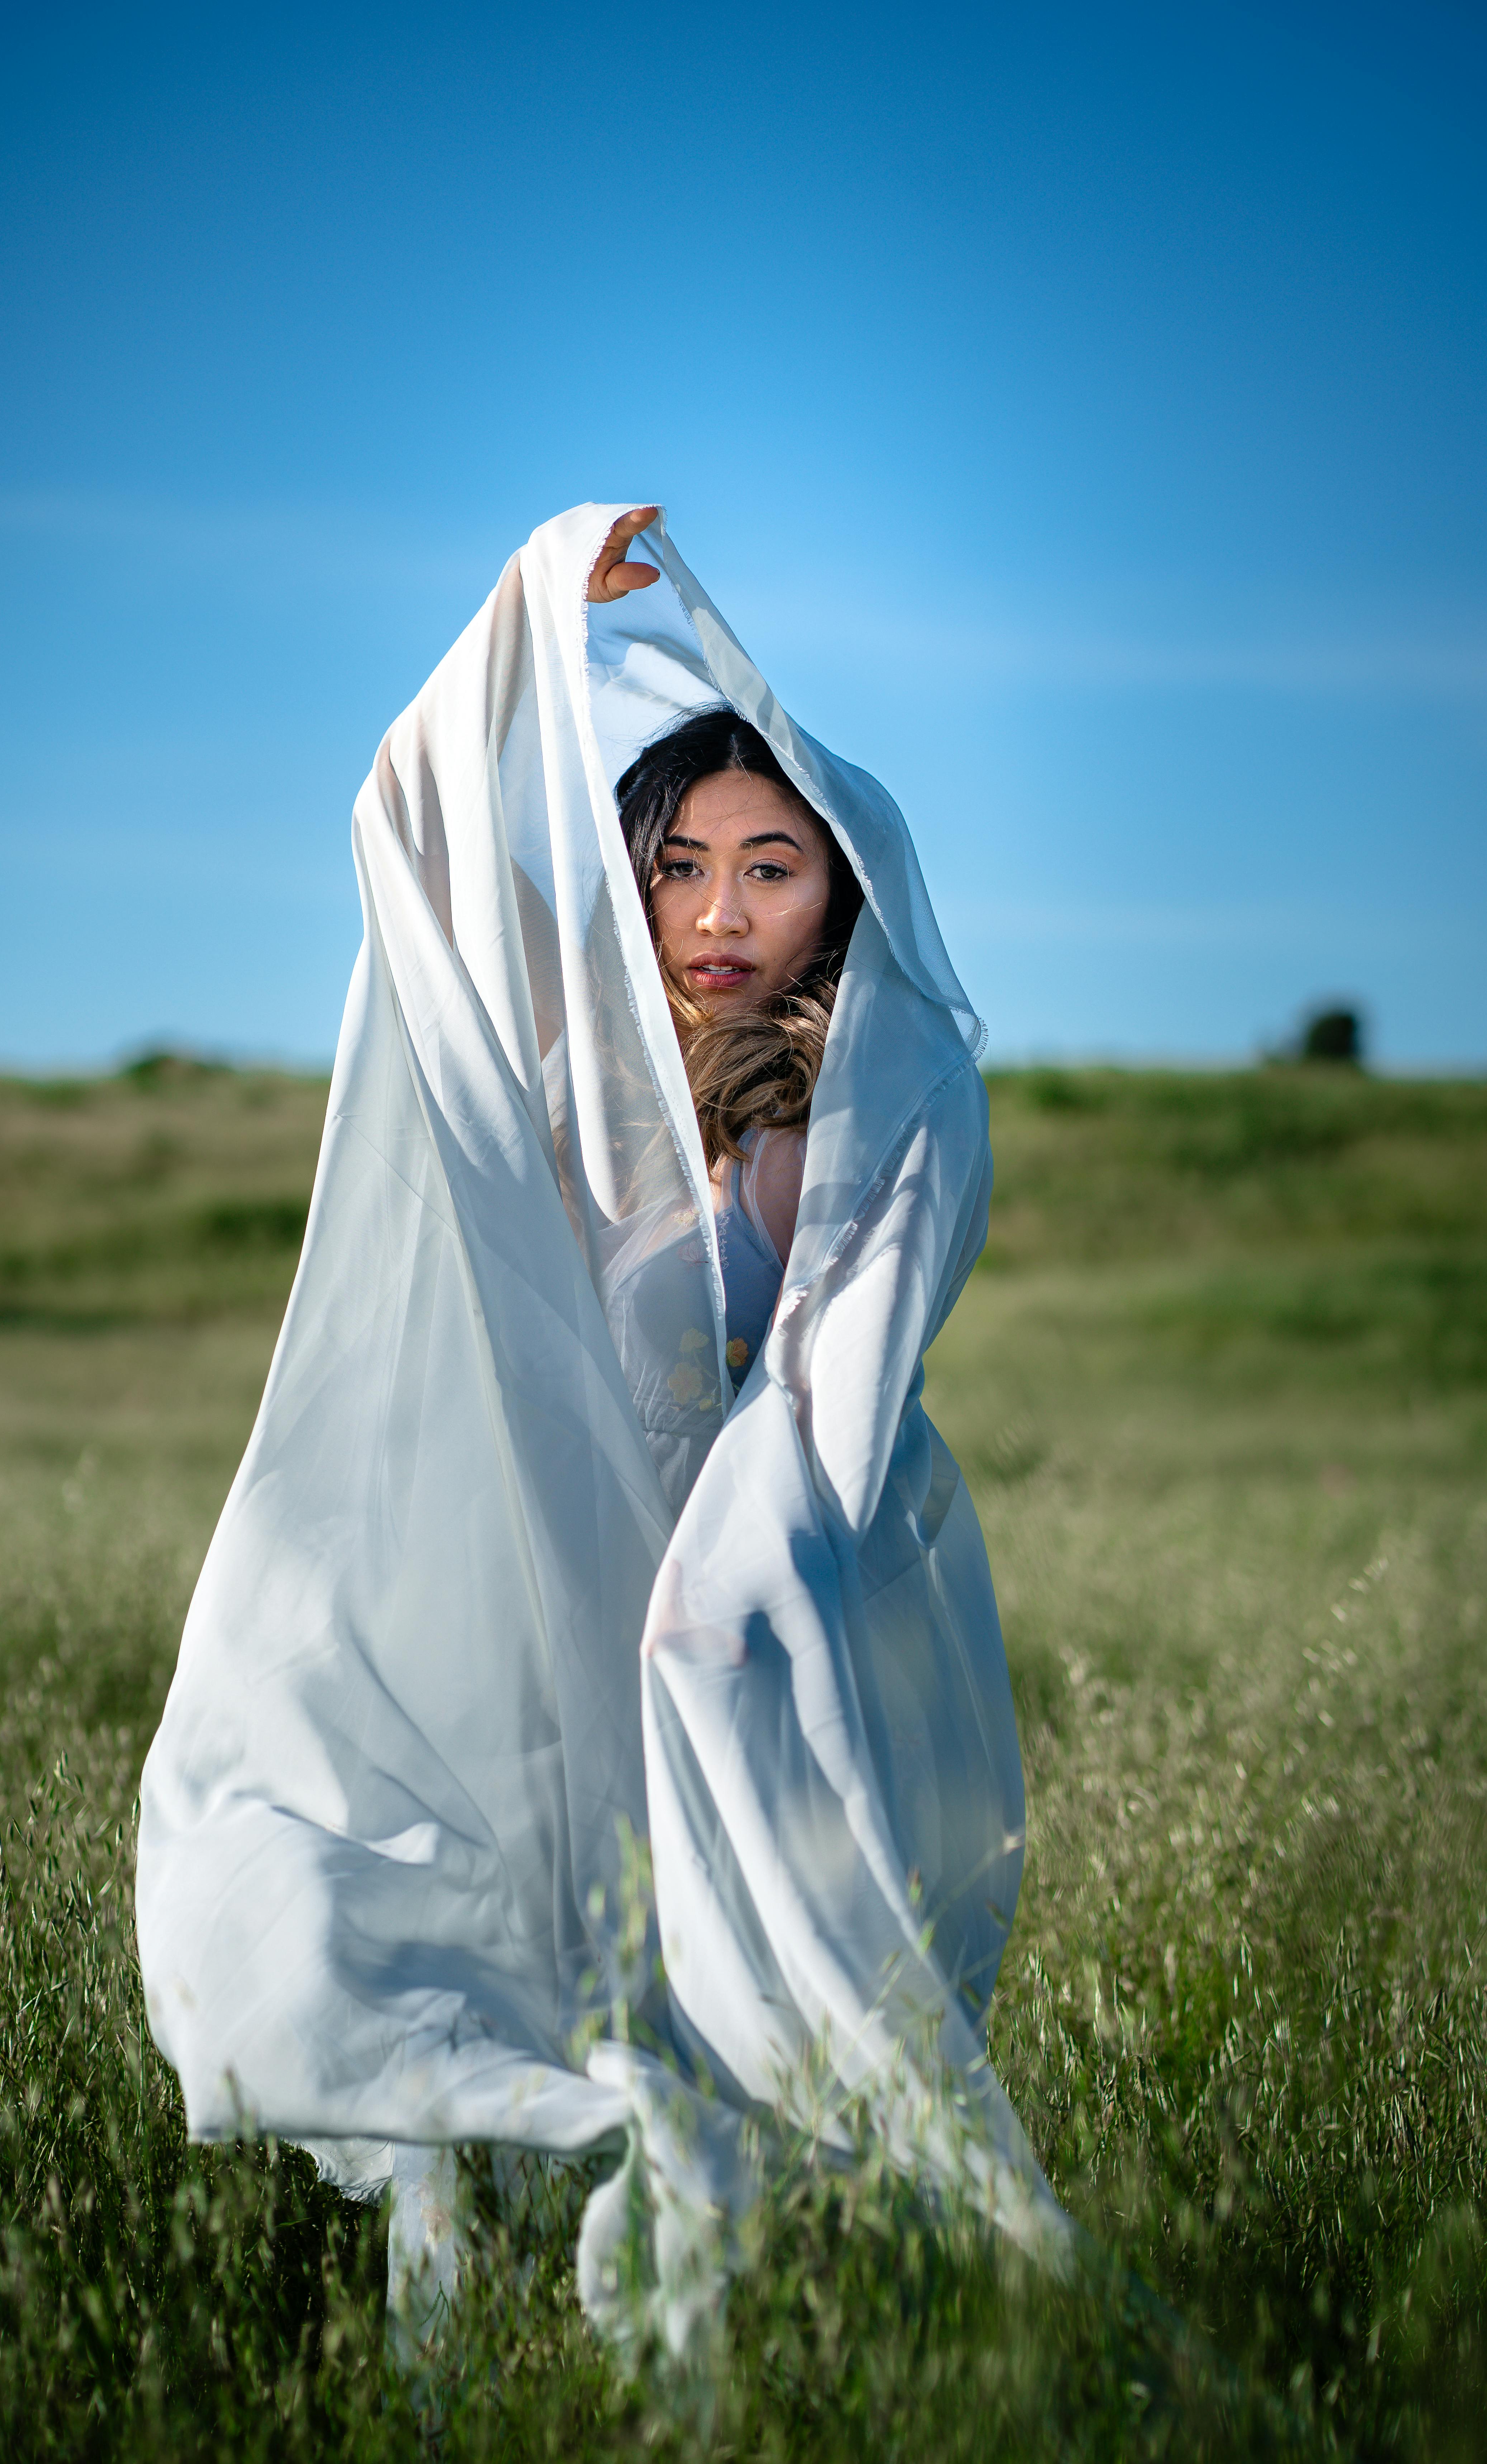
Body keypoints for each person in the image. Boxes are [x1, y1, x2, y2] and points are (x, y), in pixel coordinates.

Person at [137, 503, 1064, 2358]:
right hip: (548, 1577)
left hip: (734, 1611)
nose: (721, 915)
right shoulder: (610, 1066)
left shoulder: (874, 1111)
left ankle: (699, 2335)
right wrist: (537, 599)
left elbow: (828, 1418)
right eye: (684, 866)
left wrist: (712, 1633)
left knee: (691, 2015)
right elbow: (408, 825)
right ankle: (462, 2343)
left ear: (847, 886)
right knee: (296, 1861)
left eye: (775, 867)